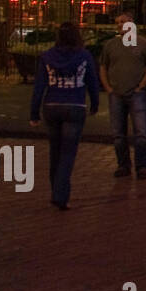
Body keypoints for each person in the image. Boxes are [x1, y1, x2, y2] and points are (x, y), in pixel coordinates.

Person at [29, 22, 100, 210]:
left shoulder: (47, 57)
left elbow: (39, 87)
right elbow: (92, 81)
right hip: (75, 104)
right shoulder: (84, 56)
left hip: (52, 104)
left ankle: (55, 190)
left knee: (55, 150)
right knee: (68, 153)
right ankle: (61, 195)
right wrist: (95, 103)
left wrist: (34, 113)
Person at [99, 11, 146, 179]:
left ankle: (142, 167)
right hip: (116, 93)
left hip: (135, 92)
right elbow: (103, 66)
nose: (119, 25)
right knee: (118, 134)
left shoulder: (142, 44)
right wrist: (108, 87)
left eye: (122, 22)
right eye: (117, 22)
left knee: (141, 133)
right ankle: (123, 165)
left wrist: (141, 85)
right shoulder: (111, 45)